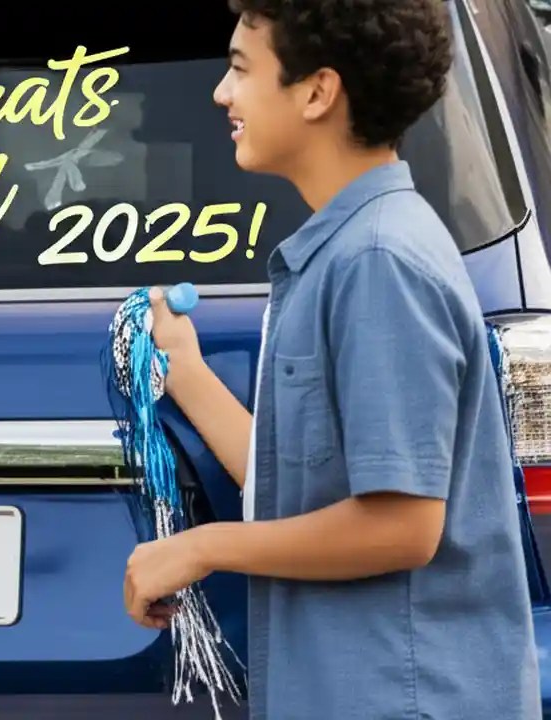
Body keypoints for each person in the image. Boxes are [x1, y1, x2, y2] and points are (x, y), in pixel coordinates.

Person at [121, 1, 540, 718]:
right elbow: (307, 488)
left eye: (240, 69)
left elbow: (402, 525)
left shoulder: (379, 262)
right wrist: (186, 374)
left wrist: (203, 547)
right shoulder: (346, 250)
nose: (221, 93)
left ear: (317, 92)